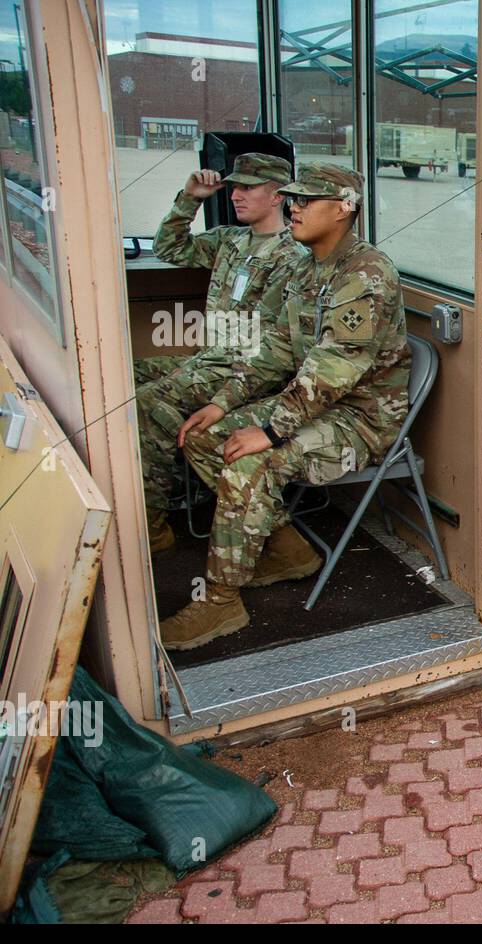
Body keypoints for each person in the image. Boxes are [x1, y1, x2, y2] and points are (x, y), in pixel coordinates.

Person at [156, 163, 410, 652]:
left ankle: (220, 601)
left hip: (360, 420)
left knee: (250, 461)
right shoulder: (306, 266)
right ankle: (289, 547)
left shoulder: (365, 275)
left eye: (306, 200)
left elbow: (331, 373)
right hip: (316, 404)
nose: (293, 207)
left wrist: (269, 432)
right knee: (207, 437)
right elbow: (274, 348)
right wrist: (221, 402)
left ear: (342, 209)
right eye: (290, 198)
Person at [137, 153, 301, 552]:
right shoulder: (231, 240)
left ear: (278, 194)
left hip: (246, 370)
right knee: (132, 373)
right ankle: (168, 486)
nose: (236, 196)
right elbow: (168, 248)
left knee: (148, 402)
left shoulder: (292, 256)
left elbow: (276, 348)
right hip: (208, 358)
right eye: (234, 187)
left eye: (248, 188)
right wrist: (191, 198)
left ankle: (154, 523)